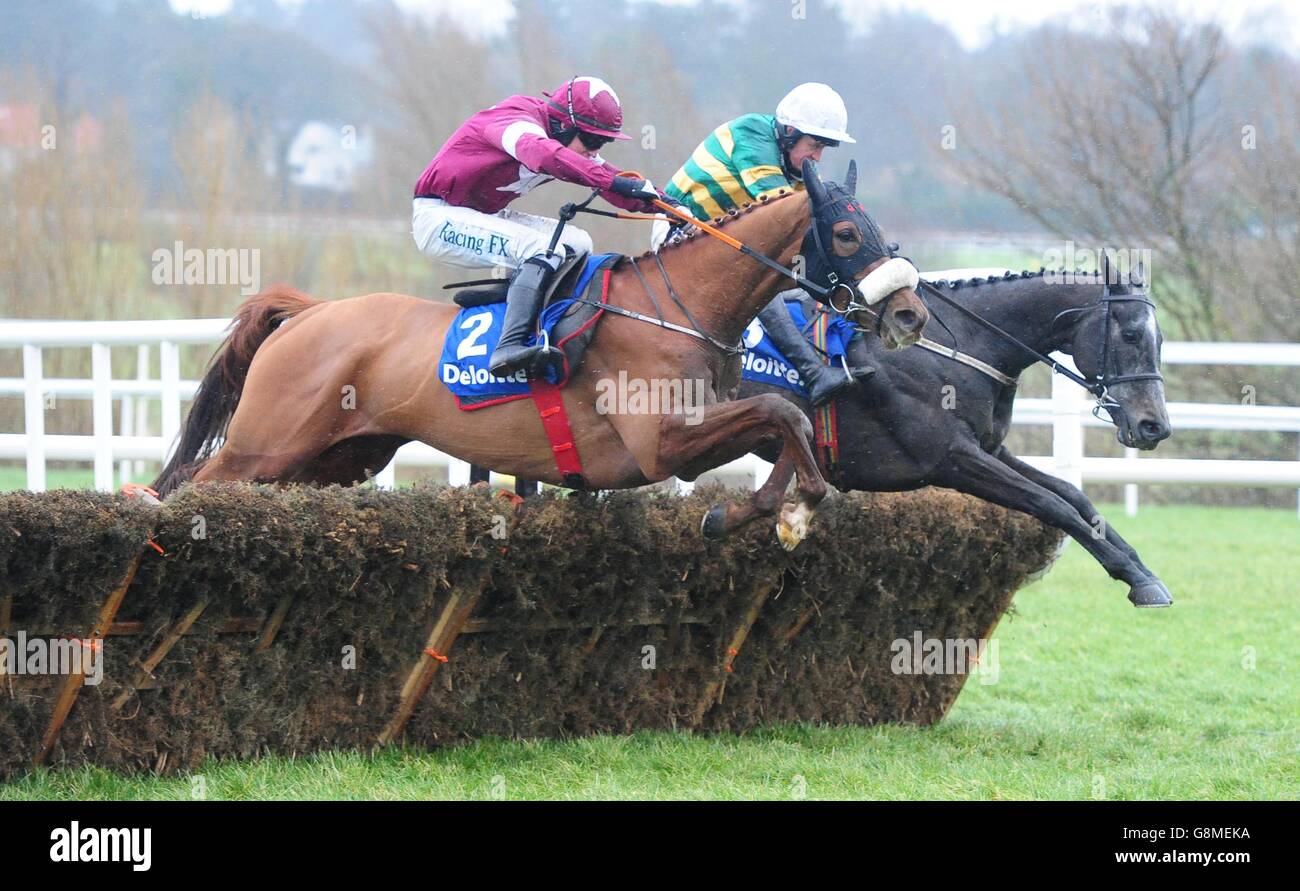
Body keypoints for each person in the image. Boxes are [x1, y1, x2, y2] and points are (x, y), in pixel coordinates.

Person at [413, 76, 662, 376]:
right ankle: (509, 347)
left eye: (603, 142)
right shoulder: (517, 121)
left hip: (480, 217)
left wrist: (667, 205)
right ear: (563, 124)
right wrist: (613, 181)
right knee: (540, 248)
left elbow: (612, 181)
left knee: (578, 242)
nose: (595, 151)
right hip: (438, 218)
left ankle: (519, 304)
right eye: (593, 140)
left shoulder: (564, 140)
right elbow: (544, 155)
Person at [657, 83, 868, 405]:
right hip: (681, 232)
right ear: (789, 131)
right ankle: (813, 373)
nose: (818, 157)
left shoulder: (792, 161)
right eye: (814, 145)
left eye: (825, 148)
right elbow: (781, 211)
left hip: (723, 240)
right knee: (760, 278)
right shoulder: (752, 133)